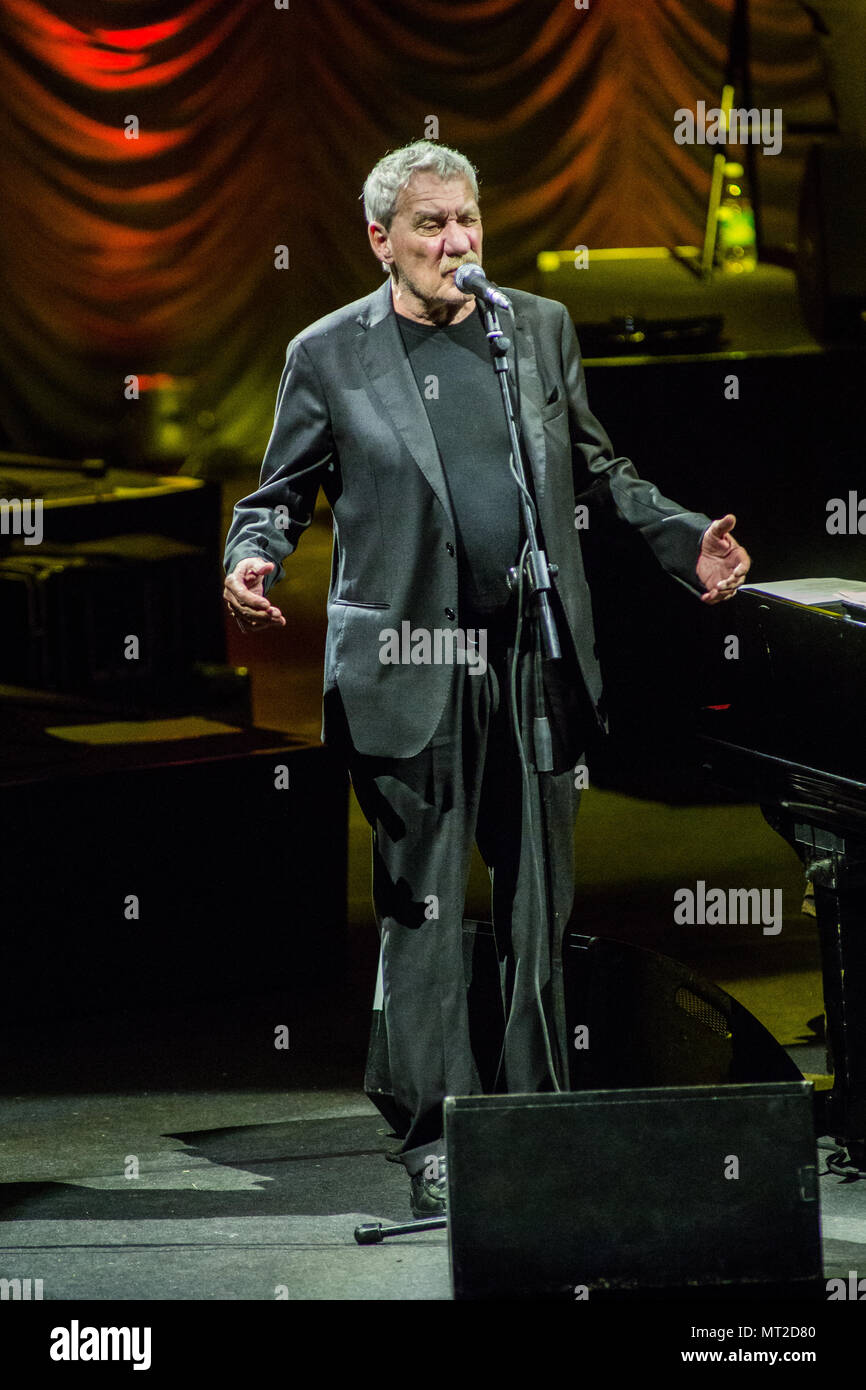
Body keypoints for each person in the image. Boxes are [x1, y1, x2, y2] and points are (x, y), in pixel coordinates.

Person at [223, 140, 751, 1218]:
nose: (455, 243)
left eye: (465, 220)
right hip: (411, 665)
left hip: (532, 657)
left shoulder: (533, 329)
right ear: (381, 239)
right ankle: (433, 1132)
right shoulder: (329, 353)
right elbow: (277, 489)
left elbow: (597, 466)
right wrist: (253, 553)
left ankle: (538, 1115)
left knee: (535, 907)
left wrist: (678, 537)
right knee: (422, 909)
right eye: (429, 225)